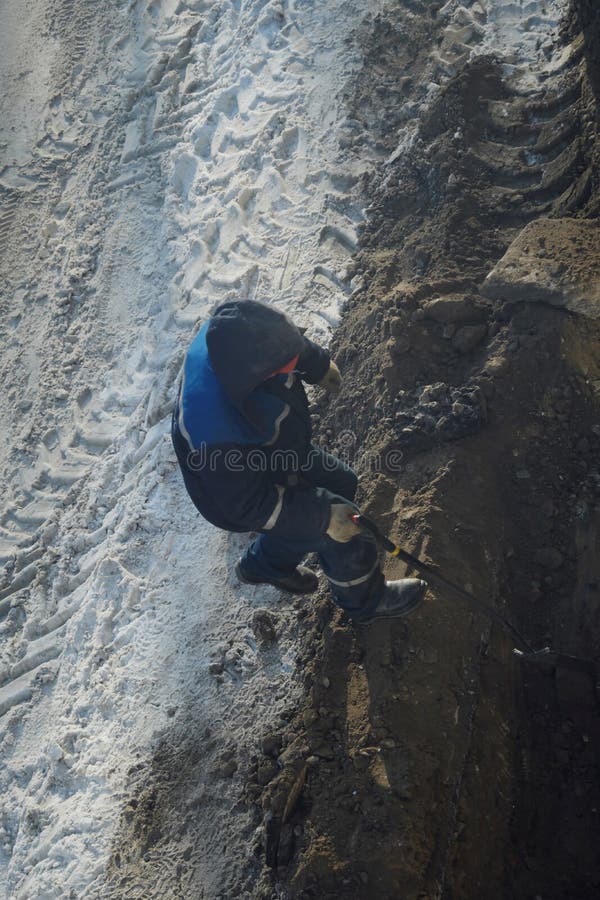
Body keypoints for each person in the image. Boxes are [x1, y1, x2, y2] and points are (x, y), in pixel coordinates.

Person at [171, 299, 426, 624]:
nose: (295, 363)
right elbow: (246, 505)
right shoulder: (215, 433)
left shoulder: (234, 332)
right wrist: (323, 516)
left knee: (342, 482)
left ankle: (264, 565)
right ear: (256, 374)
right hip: (238, 493)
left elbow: (281, 341)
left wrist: (315, 363)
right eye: (288, 363)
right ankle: (365, 602)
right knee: (340, 525)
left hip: (273, 449)